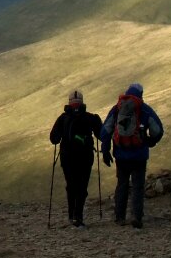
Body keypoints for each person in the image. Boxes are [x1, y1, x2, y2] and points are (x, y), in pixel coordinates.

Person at [101, 82, 163, 228]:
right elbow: (158, 130)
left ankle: (119, 217)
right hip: (139, 155)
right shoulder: (144, 109)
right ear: (141, 95)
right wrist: (150, 141)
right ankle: (136, 217)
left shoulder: (117, 109)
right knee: (138, 186)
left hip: (121, 155)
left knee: (122, 184)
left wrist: (105, 150)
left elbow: (105, 131)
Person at [49, 90, 105, 227]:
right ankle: (78, 217)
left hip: (67, 157)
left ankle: (71, 214)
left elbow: (53, 139)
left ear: (69, 103)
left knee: (71, 185)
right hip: (85, 157)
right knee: (82, 186)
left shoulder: (63, 118)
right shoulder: (90, 118)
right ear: (82, 102)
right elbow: (102, 135)